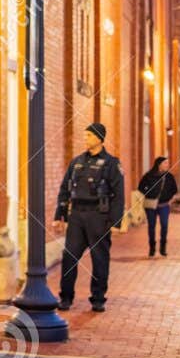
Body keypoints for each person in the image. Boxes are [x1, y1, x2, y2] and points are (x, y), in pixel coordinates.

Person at [53, 122, 125, 312]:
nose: (85, 139)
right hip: (76, 216)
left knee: (100, 258)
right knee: (69, 256)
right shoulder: (77, 161)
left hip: (98, 216)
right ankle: (66, 297)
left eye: (89, 136)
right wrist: (59, 215)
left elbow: (118, 195)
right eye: (85, 136)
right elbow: (64, 189)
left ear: (100, 139)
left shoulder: (111, 163)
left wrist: (116, 222)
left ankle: (98, 298)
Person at [137, 155, 177, 258]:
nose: (167, 165)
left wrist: (168, 197)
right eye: (165, 163)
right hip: (151, 205)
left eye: (168, 163)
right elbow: (141, 187)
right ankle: (152, 248)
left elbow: (174, 189)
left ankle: (163, 247)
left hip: (164, 205)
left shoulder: (169, 177)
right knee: (151, 226)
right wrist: (149, 193)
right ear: (159, 164)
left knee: (164, 225)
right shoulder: (148, 175)